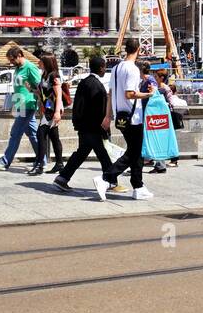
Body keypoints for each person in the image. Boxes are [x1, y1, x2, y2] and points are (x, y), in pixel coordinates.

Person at [54, 55, 115, 199]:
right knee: (103, 154)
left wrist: (77, 122)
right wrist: (104, 126)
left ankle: (62, 178)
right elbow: (99, 109)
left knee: (82, 153)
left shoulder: (84, 82)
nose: (105, 69)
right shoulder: (97, 85)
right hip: (93, 127)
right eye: (104, 66)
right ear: (101, 68)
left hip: (83, 125)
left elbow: (78, 106)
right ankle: (111, 181)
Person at [104, 37, 154, 199]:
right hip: (133, 117)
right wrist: (148, 94)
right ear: (138, 50)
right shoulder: (132, 69)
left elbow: (111, 93)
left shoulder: (116, 68)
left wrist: (108, 114)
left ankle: (138, 186)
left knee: (136, 152)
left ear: (126, 49)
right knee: (134, 152)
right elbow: (130, 93)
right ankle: (108, 176)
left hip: (121, 116)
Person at [0, 46, 41, 172]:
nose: (11, 62)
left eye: (12, 59)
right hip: (20, 104)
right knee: (33, 134)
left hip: (28, 104)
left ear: (19, 55)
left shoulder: (30, 68)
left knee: (15, 133)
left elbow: (40, 86)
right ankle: (42, 160)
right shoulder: (18, 68)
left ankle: (5, 162)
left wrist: (40, 103)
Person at [34, 54, 66, 177]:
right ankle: (59, 163)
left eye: (40, 61)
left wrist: (57, 112)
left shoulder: (54, 76)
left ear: (46, 62)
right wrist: (33, 90)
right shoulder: (45, 75)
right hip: (47, 109)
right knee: (54, 136)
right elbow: (43, 92)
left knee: (40, 134)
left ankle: (40, 164)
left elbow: (58, 96)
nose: (38, 62)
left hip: (52, 110)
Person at [150, 71, 181, 173]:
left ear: (161, 78)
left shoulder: (165, 88)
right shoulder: (154, 87)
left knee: (161, 140)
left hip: (163, 117)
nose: (154, 78)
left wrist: (165, 107)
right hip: (155, 117)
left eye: (155, 76)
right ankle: (158, 164)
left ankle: (161, 165)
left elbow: (171, 102)